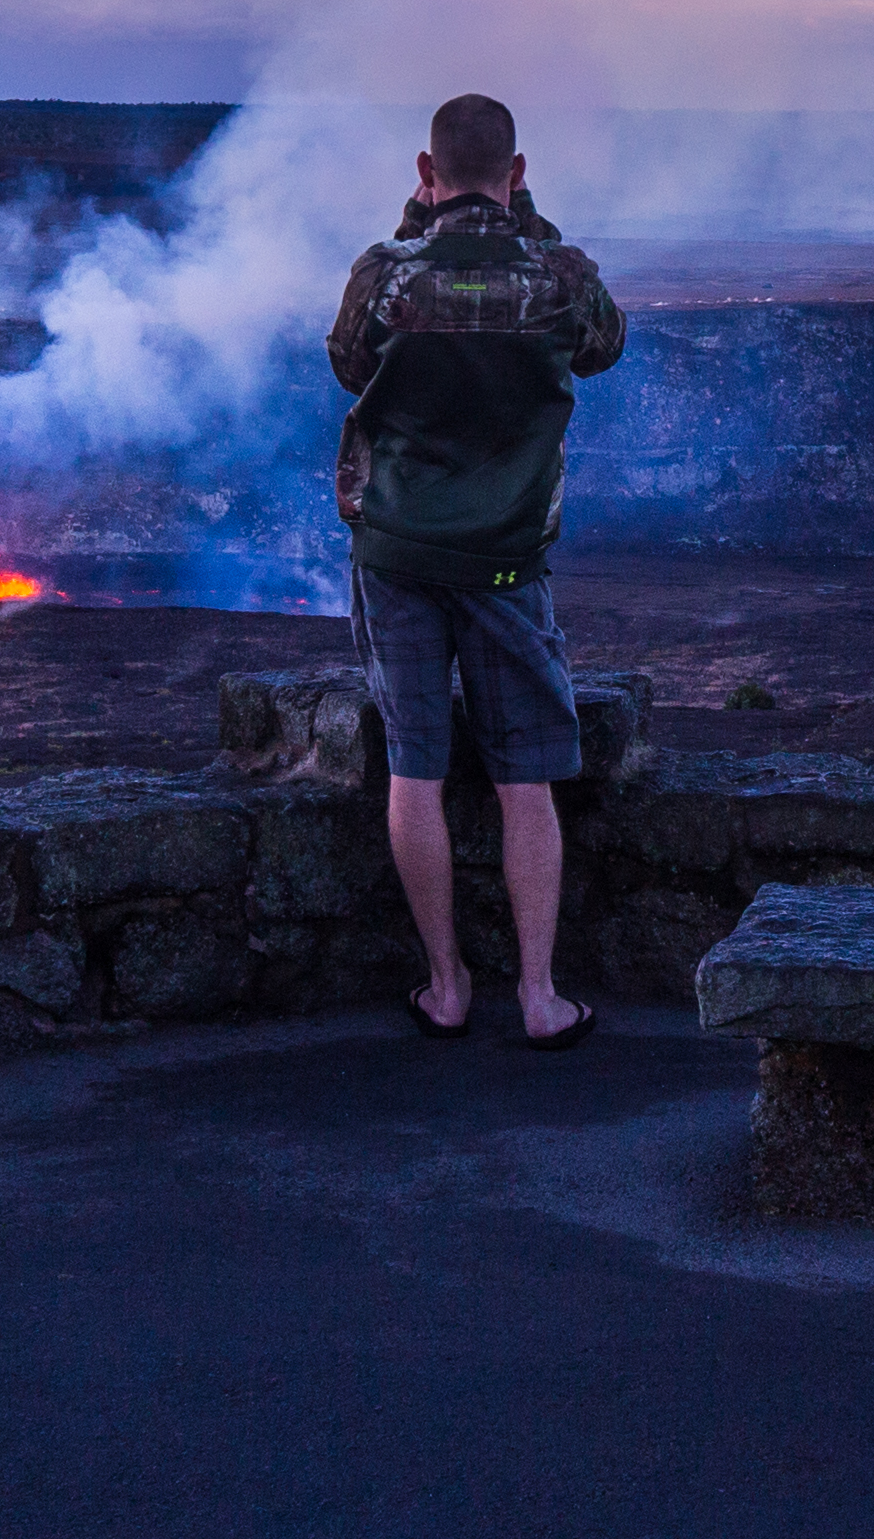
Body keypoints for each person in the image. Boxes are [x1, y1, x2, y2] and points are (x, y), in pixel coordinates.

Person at [326, 90, 629, 1047]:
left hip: (398, 551)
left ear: (424, 174)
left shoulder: (384, 275)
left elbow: (347, 363)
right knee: (524, 777)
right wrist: (520, 226)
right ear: (517, 173)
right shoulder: (559, 277)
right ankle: (539, 998)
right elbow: (606, 344)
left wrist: (421, 232)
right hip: (507, 562)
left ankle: (447, 984)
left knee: (414, 769)